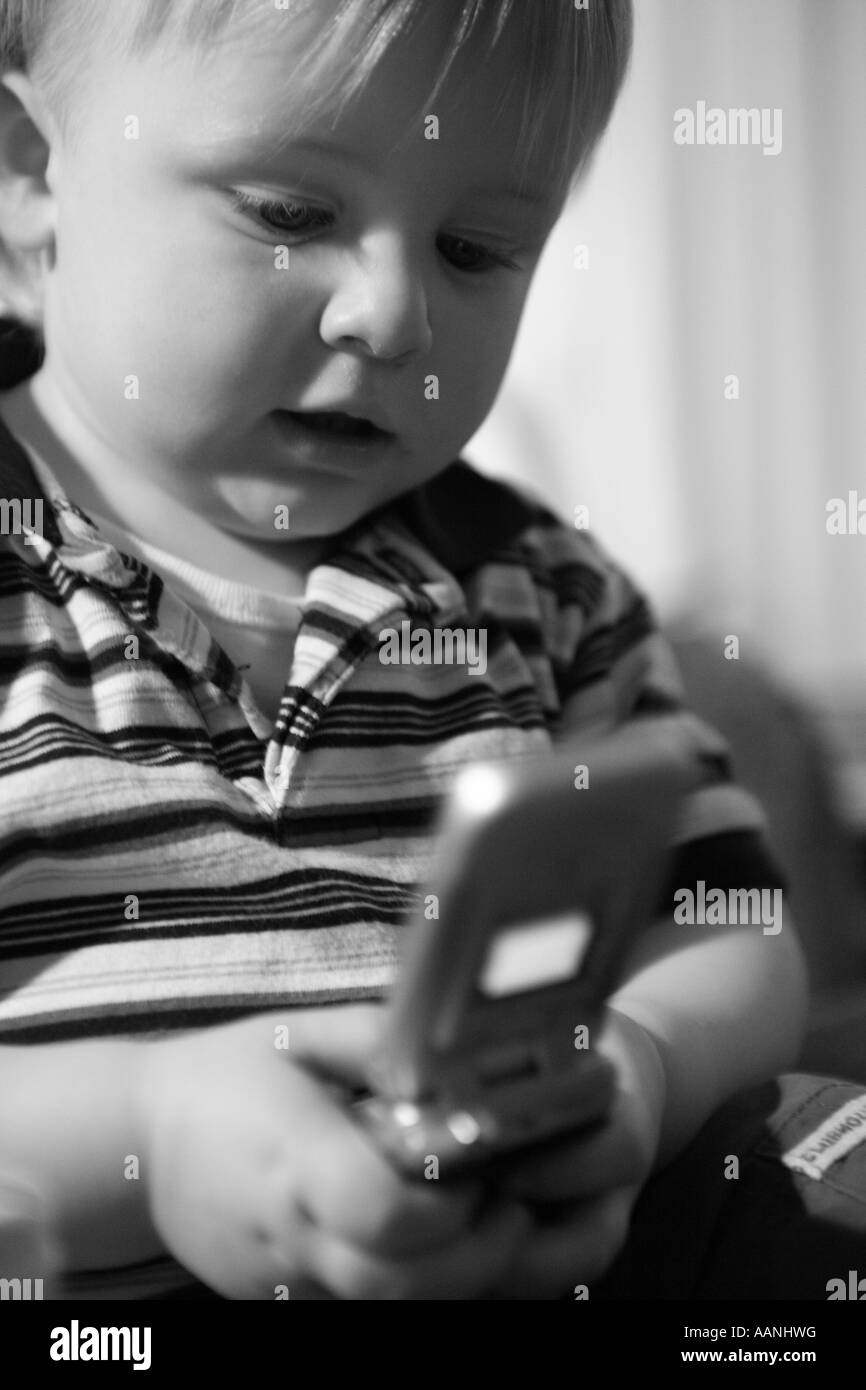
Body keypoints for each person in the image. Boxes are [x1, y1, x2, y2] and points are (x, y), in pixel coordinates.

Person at [0, 0, 859, 1302]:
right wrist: (151, 1131)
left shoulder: (537, 586)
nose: (391, 314)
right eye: (290, 214)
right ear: (26, 172)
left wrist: (640, 1060)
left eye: (474, 247)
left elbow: (728, 922)